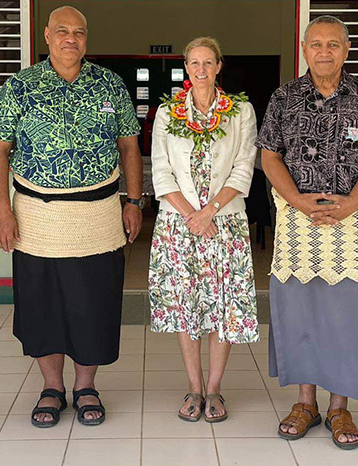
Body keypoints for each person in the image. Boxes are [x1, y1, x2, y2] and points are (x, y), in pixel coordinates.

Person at [0, 6, 142, 428]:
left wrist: (134, 200)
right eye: (62, 31)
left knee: (94, 303)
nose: (71, 38)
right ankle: (52, 386)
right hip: (37, 217)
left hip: (98, 216)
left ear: (86, 38)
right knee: (43, 305)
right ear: (47, 36)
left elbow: (130, 147)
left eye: (79, 32)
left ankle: (86, 385)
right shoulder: (19, 86)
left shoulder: (110, 85)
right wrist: (2, 209)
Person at [255, 16, 358, 449]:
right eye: (316, 44)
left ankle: (339, 406)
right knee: (299, 311)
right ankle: (305, 403)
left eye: (332, 44)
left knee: (347, 315)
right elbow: (268, 154)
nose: (324, 52)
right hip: (299, 220)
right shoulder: (285, 97)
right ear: (304, 48)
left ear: (346, 49)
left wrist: (353, 201)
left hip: (351, 221)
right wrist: (297, 199)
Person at [149, 37, 259, 423]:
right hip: (178, 225)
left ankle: (214, 389)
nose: (200, 69)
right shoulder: (168, 112)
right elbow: (160, 171)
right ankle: (193, 388)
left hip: (224, 222)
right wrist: (191, 215)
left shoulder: (240, 111)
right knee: (187, 304)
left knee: (223, 303)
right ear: (186, 66)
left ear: (218, 66)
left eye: (207, 62)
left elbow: (244, 166)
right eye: (194, 62)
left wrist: (210, 211)